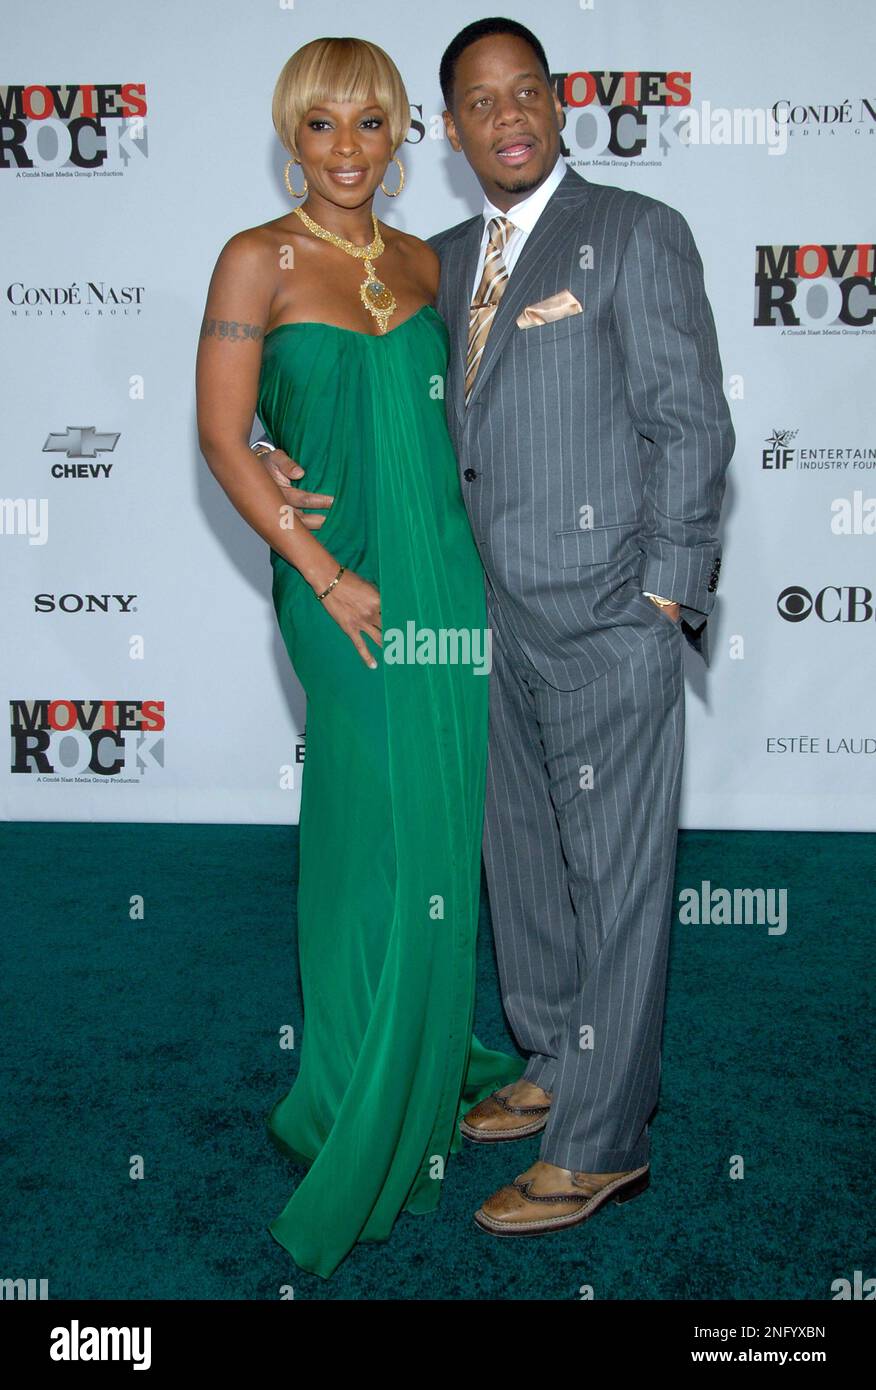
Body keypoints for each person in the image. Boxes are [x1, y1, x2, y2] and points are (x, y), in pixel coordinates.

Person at [256, 17, 735, 1239]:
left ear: (558, 106)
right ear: (452, 129)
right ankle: (553, 1059)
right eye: (479, 101)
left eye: (527, 92)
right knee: (524, 873)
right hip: (471, 625)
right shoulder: (437, 258)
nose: (506, 116)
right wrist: (276, 443)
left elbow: (690, 422)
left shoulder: (634, 232)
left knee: (620, 884)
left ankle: (601, 1142)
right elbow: (376, 406)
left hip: (606, 621)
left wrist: (666, 597)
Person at [196, 35, 524, 1280]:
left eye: (372, 125)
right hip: (338, 587)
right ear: (293, 135)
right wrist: (321, 572)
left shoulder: (423, 263)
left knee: (438, 825)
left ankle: (430, 1056)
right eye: (323, 126)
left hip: (442, 570)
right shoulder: (256, 259)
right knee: (366, 814)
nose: (347, 149)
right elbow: (229, 440)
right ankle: (351, 1091)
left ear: (402, 139)